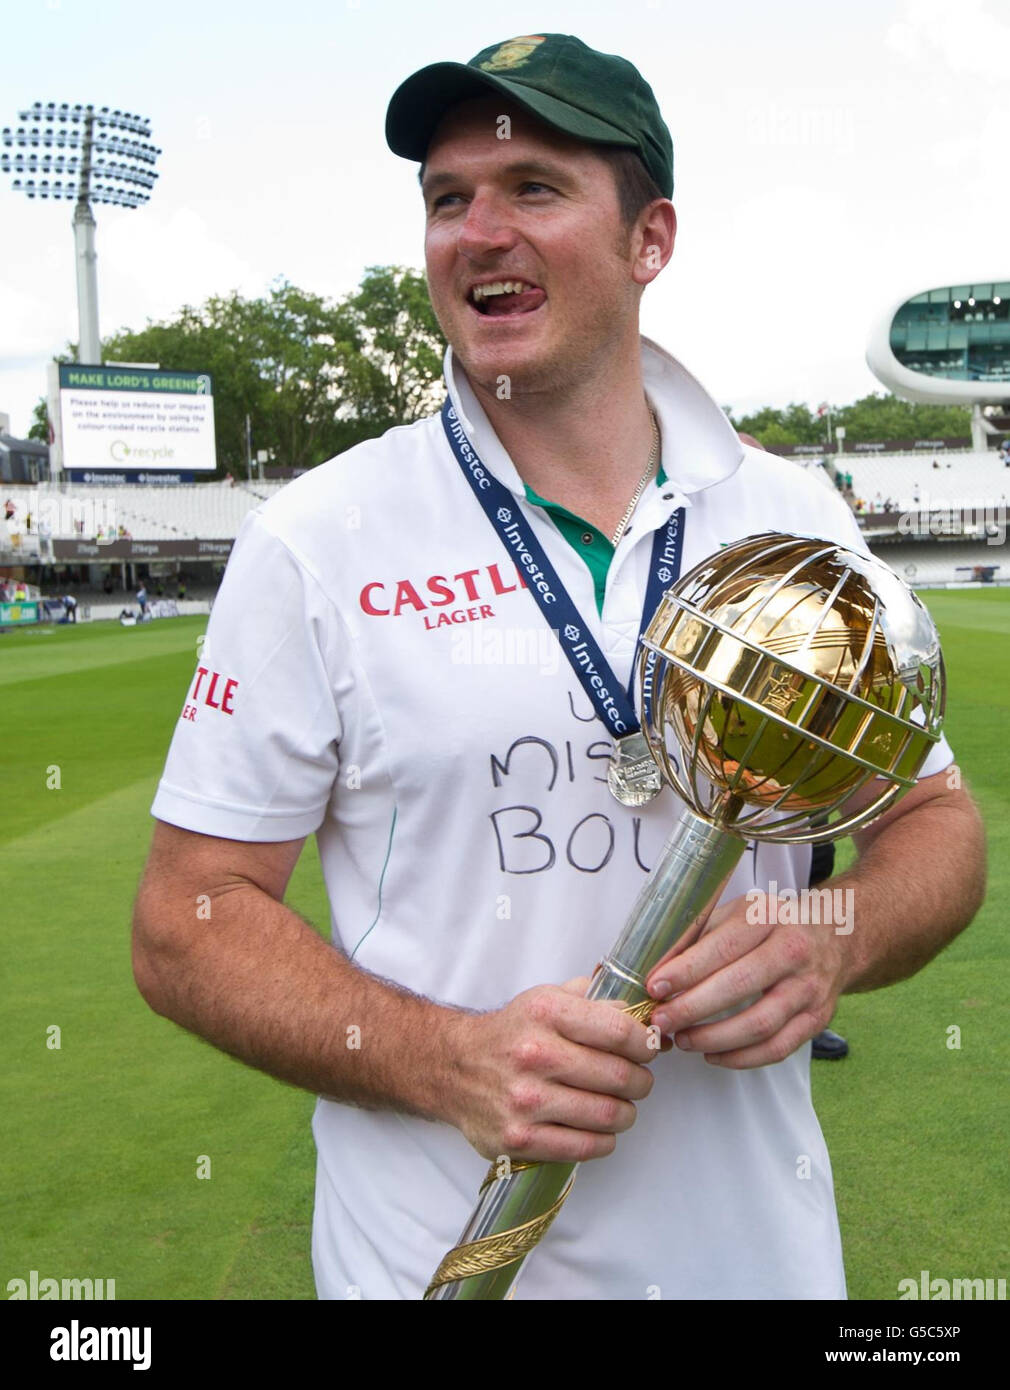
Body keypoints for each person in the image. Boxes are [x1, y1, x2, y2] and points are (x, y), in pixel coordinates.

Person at [133, 34, 984, 1301]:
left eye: (533, 187)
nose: (477, 230)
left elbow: (934, 824)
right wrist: (447, 1059)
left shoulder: (794, 514)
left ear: (650, 241)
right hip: (436, 1264)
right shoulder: (316, 539)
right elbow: (184, 919)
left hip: (756, 1267)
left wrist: (833, 929)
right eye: (444, 199)